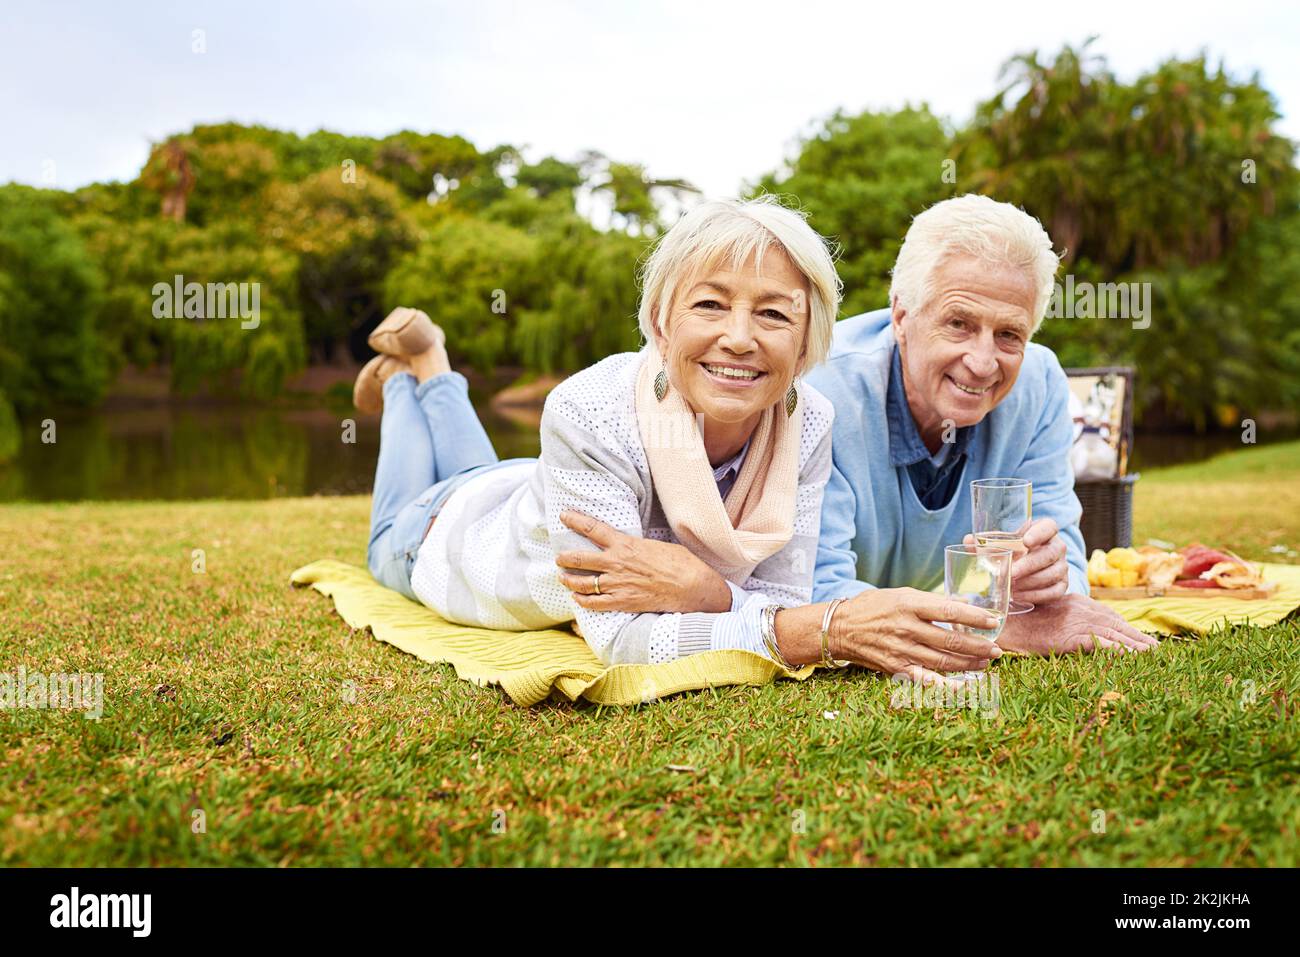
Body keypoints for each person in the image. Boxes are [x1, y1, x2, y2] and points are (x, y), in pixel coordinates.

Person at [358, 197, 1007, 671]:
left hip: (517, 487)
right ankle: (406, 378)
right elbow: (621, 640)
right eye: (710, 304)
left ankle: (431, 362)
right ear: (662, 324)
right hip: (440, 537)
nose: (740, 337)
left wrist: (709, 592)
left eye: (774, 313)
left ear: (808, 340)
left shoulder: (808, 421)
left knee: (480, 470)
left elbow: (784, 593)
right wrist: (810, 631)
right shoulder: (587, 411)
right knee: (403, 520)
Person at [558, 194, 1156, 677]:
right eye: (958, 323)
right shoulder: (817, 393)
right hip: (501, 523)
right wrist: (1004, 627)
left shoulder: (1040, 383)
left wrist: (1038, 582)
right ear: (901, 316)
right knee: (465, 485)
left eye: (1009, 334)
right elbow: (821, 596)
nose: (983, 361)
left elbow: (1065, 570)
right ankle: (453, 386)